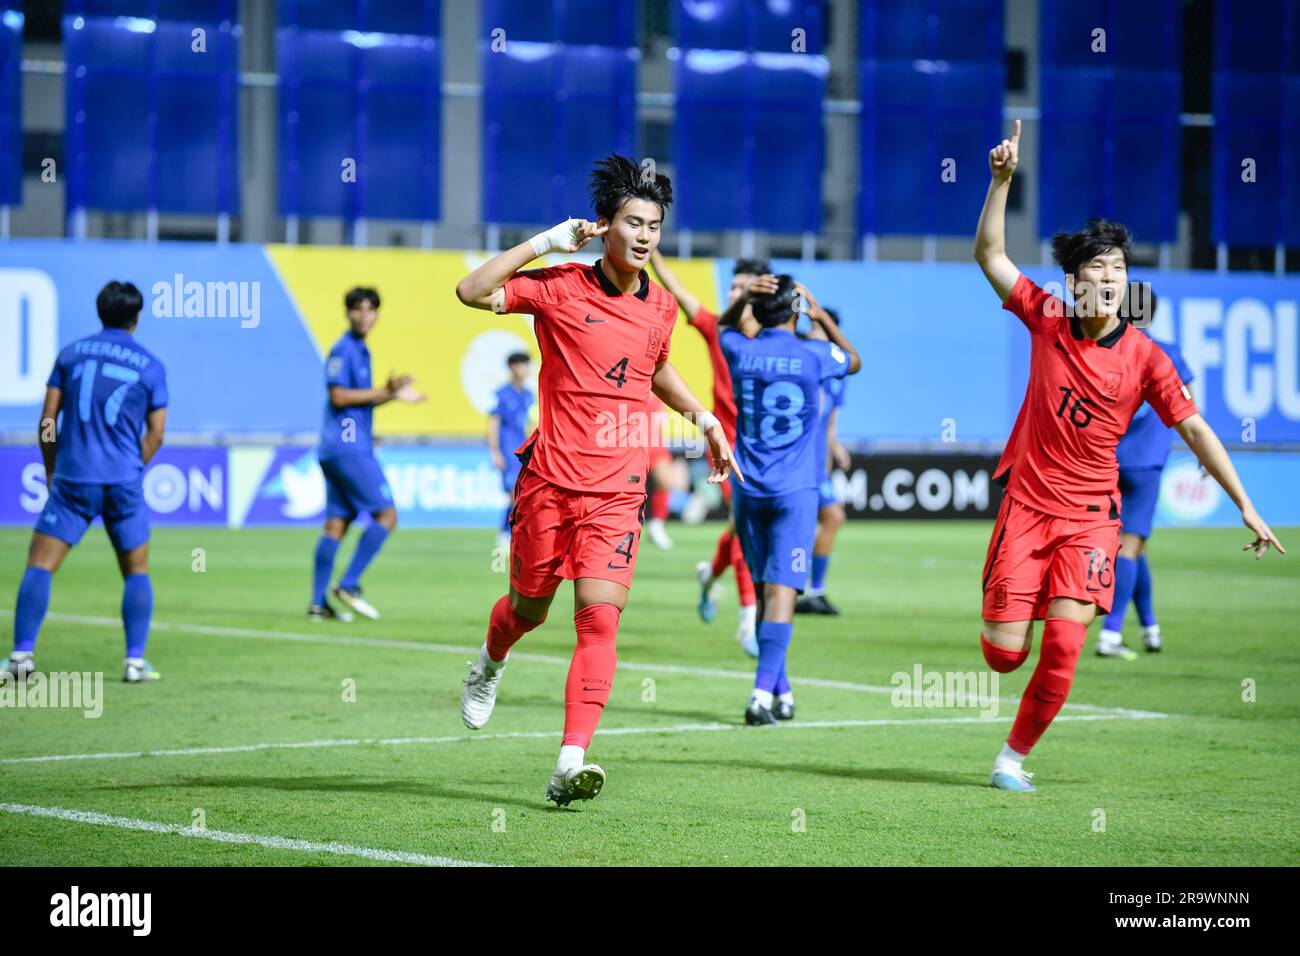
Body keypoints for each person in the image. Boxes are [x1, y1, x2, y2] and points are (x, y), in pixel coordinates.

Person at [973, 120, 1285, 792]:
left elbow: (1196, 430)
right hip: (1026, 508)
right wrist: (1000, 183)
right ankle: (1019, 609)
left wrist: (1247, 504)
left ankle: (1011, 759)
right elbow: (991, 257)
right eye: (1098, 268)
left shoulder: (1147, 356)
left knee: (1062, 647)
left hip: (1090, 518)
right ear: (1073, 279)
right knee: (1002, 657)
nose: (1111, 278)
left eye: (1119, 269)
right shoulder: (1046, 318)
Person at [454, 155, 738, 806]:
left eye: (655, 226)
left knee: (598, 622)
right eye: (633, 223)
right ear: (604, 225)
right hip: (549, 482)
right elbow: (470, 292)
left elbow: (654, 370)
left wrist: (705, 421)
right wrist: (543, 243)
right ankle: (489, 664)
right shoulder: (556, 286)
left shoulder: (662, 308)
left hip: (617, 492)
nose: (644, 236)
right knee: (528, 609)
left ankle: (570, 761)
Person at [5, 281, 168, 683]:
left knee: (40, 564)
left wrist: (50, 467)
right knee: (136, 570)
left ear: (101, 312)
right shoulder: (150, 364)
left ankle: (22, 658)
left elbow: (47, 421)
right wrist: (133, 467)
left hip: (73, 478)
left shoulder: (71, 354)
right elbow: (158, 434)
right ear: (137, 317)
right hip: (122, 482)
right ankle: (133, 661)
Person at [723, 278, 861, 724]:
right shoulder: (814, 355)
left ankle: (780, 690)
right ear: (795, 312)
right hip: (795, 490)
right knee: (782, 589)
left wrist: (743, 299)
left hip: (747, 487)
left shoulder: (738, 349)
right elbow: (855, 362)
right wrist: (821, 317)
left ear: (757, 311)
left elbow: (721, 329)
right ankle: (761, 696)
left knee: (765, 585)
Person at [650, 250, 768, 653]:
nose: (734, 293)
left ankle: (708, 577)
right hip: (727, 445)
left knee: (741, 530)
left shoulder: (774, 339)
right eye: (732, 286)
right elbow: (679, 292)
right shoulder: (720, 330)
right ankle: (748, 623)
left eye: (743, 288)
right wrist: (655, 257)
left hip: (765, 451)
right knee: (745, 531)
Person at [309, 287, 425, 623]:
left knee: (336, 523)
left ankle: (318, 604)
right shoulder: (343, 350)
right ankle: (349, 584)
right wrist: (386, 391)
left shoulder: (360, 350)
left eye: (370, 309)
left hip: (340, 447)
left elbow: (360, 401)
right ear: (347, 313)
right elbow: (339, 397)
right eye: (358, 309)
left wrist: (392, 396)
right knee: (387, 516)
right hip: (348, 450)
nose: (364, 315)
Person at [1097, 293, 1193, 659]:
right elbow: (1189, 410)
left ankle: (1150, 627)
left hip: (1105, 461)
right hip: (1145, 464)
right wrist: (1203, 453)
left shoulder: (1105, 349)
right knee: (1130, 546)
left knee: (1134, 547)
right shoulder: (1167, 352)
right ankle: (1110, 633)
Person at [795, 307, 852, 616]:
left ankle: (807, 591)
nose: (816, 333)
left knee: (825, 520)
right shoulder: (802, 360)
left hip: (818, 465)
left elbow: (829, 422)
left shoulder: (837, 374)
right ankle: (802, 590)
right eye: (813, 327)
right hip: (800, 465)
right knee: (828, 519)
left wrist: (835, 449)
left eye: (821, 329)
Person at [488, 351, 535, 550]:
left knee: (524, 495)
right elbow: (493, 423)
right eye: (520, 365)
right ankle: (505, 532)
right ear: (512, 367)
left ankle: (515, 534)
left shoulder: (529, 395)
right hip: (508, 451)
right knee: (514, 495)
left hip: (525, 452)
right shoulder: (501, 394)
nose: (524, 370)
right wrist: (495, 451)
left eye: (527, 366)